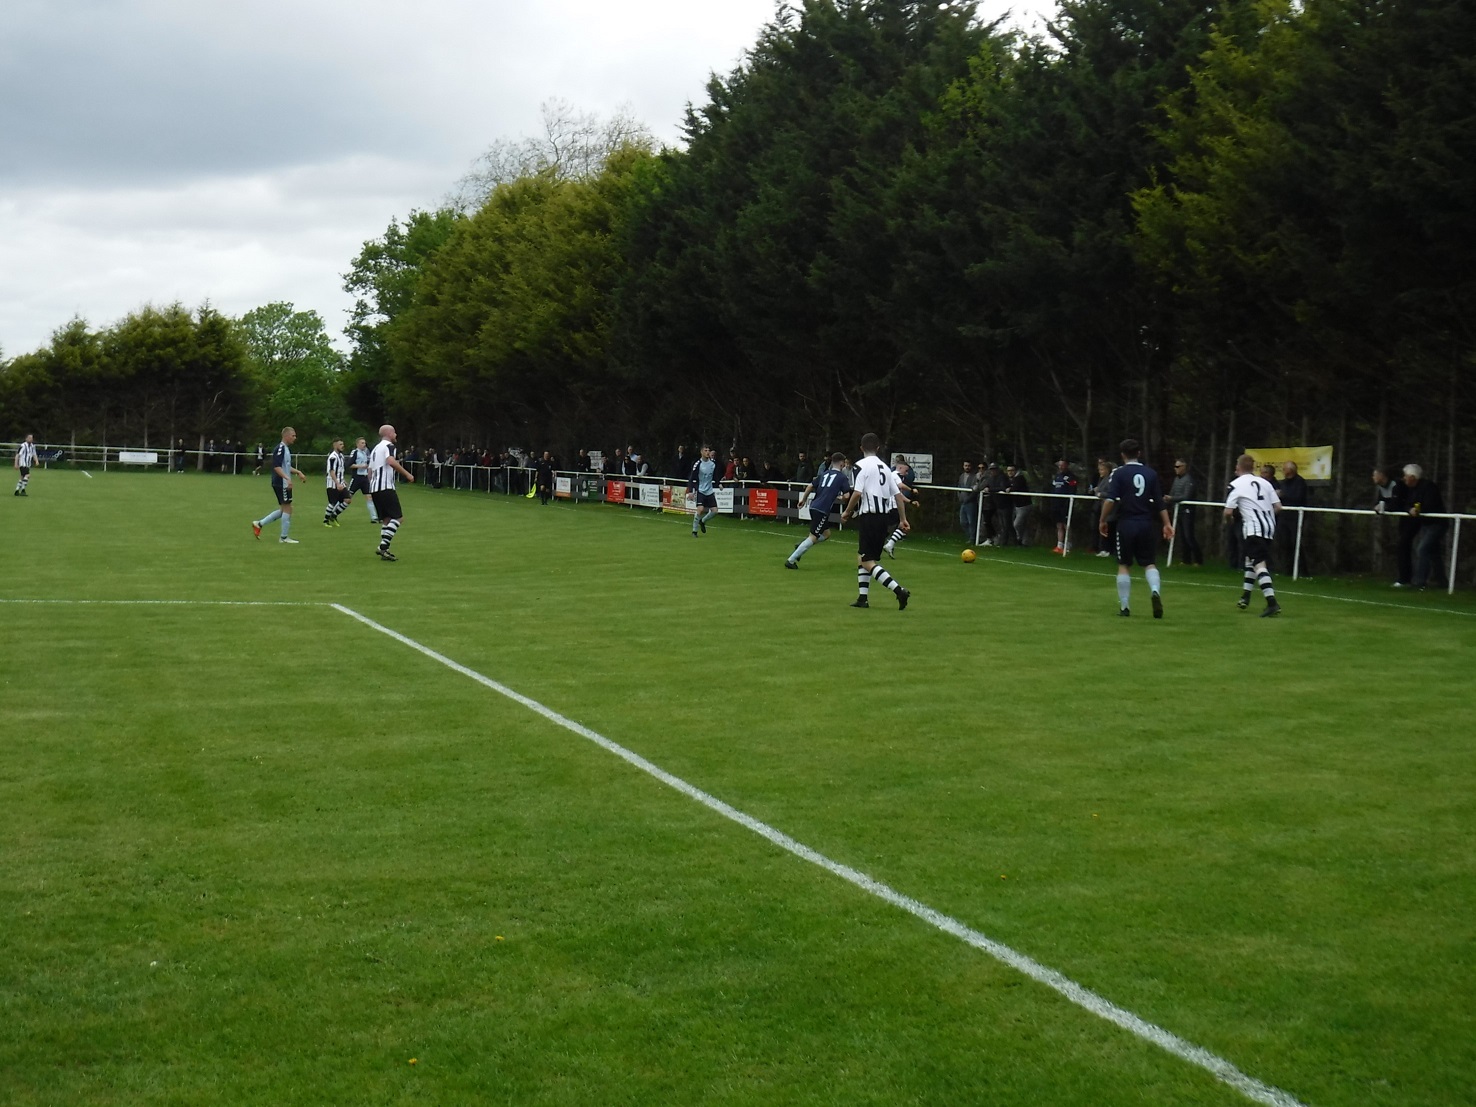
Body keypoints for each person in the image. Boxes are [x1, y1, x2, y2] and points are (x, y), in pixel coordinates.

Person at [1098, 438, 1173, 618]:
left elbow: (1110, 499)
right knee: (1149, 563)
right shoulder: (1150, 473)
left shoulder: (1119, 473)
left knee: (1124, 564)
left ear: (1122, 455)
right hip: (1146, 523)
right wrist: (1167, 524)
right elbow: (1160, 502)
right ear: (1139, 453)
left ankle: (1125, 607)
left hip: (1126, 523)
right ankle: (1155, 590)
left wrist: (1102, 519)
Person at [840, 433, 911, 609]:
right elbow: (898, 496)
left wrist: (847, 512)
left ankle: (899, 590)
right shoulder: (886, 468)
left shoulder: (860, 466)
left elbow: (857, 492)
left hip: (869, 517)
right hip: (883, 518)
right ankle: (862, 598)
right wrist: (903, 519)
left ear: (861, 448)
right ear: (878, 448)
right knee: (864, 556)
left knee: (867, 561)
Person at [1224, 453, 1282, 617]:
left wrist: (1230, 521)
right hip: (1268, 527)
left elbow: (1228, 511)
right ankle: (1245, 597)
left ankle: (1272, 602)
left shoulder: (1236, 484)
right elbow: (1278, 507)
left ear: (1238, 467)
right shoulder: (1265, 483)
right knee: (1251, 559)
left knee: (1259, 564)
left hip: (1253, 528)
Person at [786, 452, 852, 567]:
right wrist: (839, 497)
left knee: (826, 534)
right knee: (814, 536)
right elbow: (847, 496)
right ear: (841, 464)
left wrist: (803, 499)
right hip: (822, 510)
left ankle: (802, 545)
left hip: (814, 506)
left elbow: (810, 485)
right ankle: (791, 560)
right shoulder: (842, 477)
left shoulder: (825, 473)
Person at [369, 424, 416, 561]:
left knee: (387, 520)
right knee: (398, 518)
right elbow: (390, 461)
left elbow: (370, 472)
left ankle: (385, 549)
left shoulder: (375, 449)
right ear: (389, 433)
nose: (396, 435)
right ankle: (383, 546)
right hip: (386, 487)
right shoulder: (389, 446)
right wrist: (407, 474)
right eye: (394, 432)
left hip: (375, 488)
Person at [252, 427, 307, 544]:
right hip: (281, 483)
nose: (295, 438)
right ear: (286, 436)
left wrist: (298, 472)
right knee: (288, 508)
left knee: (284, 509)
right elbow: (277, 467)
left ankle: (259, 524)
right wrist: (287, 478)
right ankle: (283, 538)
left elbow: (285, 467)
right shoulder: (280, 449)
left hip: (283, 482)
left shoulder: (286, 449)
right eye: (293, 436)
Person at [1398, 464, 1448, 590]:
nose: (1404, 479)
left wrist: (1418, 509)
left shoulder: (1429, 487)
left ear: (1412, 477)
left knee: (1422, 549)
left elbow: (1431, 504)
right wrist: (1410, 509)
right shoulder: (1412, 490)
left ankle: (1420, 581)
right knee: (1434, 553)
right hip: (1426, 524)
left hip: (1437, 523)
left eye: (1405, 476)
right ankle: (1442, 581)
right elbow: (1406, 504)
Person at [1164, 458, 1202, 565]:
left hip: (1187, 511)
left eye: (1178, 467)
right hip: (1178, 511)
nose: (1175, 469)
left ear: (1184, 467)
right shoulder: (1177, 479)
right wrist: (1168, 499)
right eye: (1175, 466)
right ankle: (1186, 560)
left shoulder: (1189, 480)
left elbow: (1186, 496)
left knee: (1189, 536)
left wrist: (1171, 498)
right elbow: (1173, 493)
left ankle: (1199, 560)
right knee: (1182, 537)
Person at [1277, 461, 1312, 575]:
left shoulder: (1300, 482)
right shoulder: (1283, 483)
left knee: (1296, 543)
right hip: (1284, 516)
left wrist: (1283, 495)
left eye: (1285, 469)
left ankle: (1302, 571)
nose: (1283, 471)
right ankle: (1287, 570)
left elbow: (1298, 497)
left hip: (1295, 517)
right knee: (1284, 543)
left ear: (1291, 470)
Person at [881, 456, 920, 558]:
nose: (906, 473)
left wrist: (910, 502)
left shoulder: (895, 477)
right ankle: (888, 544)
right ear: (900, 468)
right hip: (893, 506)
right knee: (904, 526)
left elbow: (900, 495)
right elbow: (900, 486)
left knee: (890, 528)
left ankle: (888, 544)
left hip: (893, 505)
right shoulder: (894, 475)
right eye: (906, 471)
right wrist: (911, 490)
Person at [687, 444, 722, 537]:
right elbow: (691, 478)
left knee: (715, 511)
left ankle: (702, 521)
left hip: (709, 490)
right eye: (705, 450)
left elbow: (715, 476)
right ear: (701, 452)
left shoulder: (713, 464)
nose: (707, 452)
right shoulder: (698, 464)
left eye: (708, 450)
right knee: (700, 509)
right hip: (701, 490)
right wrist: (691, 491)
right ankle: (694, 531)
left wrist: (719, 484)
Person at [348, 437, 379, 523]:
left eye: (364, 443)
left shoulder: (365, 453)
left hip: (364, 478)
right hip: (357, 478)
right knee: (347, 497)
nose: (364, 444)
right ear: (357, 444)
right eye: (362, 443)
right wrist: (361, 466)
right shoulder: (355, 452)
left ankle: (374, 517)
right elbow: (350, 464)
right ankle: (334, 511)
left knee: (369, 497)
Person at [1049, 458, 1078, 553]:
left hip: (1065, 503)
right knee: (1059, 524)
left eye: (1062, 465)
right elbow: (1053, 489)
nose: (1060, 467)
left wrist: (1069, 501)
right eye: (1059, 465)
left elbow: (1073, 489)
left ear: (1067, 465)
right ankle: (1059, 545)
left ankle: (1068, 544)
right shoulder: (1057, 476)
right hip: (1056, 504)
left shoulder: (1071, 477)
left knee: (1067, 525)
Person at [323, 438, 350, 526]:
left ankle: (333, 516)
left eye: (343, 444)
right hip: (332, 484)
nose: (342, 446)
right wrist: (337, 483)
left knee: (347, 500)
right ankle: (325, 521)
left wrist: (343, 480)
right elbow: (331, 471)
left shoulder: (341, 456)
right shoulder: (333, 457)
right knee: (332, 502)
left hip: (340, 482)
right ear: (335, 445)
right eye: (340, 444)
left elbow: (340, 470)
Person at [1091, 458, 1115, 557]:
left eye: (1102, 470)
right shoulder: (1102, 480)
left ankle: (1107, 549)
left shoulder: (1109, 480)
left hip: (1108, 507)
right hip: (1100, 506)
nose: (1100, 472)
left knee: (1107, 527)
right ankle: (1102, 548)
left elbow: (1109, 493)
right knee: (1100, 527)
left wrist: (1100, 493)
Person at [1006, 465, 1032, 546]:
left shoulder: (1020, 478)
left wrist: (1010, 489)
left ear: (1016, 471)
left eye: (1012, 470)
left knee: (1017, 524)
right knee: (1023, 524)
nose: (1010, 472)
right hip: (1017, 505)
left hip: (1024, 505)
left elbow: (1015, 487)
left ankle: (1019, 539)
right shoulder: (1011, 479)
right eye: (1008, 471)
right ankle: (1025, 542)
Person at [956, 460, 977, 539]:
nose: (967, 467)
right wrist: (959, 497)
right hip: (963, 502)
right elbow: (959, 488)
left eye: (968, 466)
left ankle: (973, 538)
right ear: (963, 466)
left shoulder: (974, 476)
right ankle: (969, 536)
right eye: (966, 465)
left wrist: (969, 498)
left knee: (971, 521)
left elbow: (975, 489)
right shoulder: (961, 476)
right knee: (963, 522)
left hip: (971, 502)